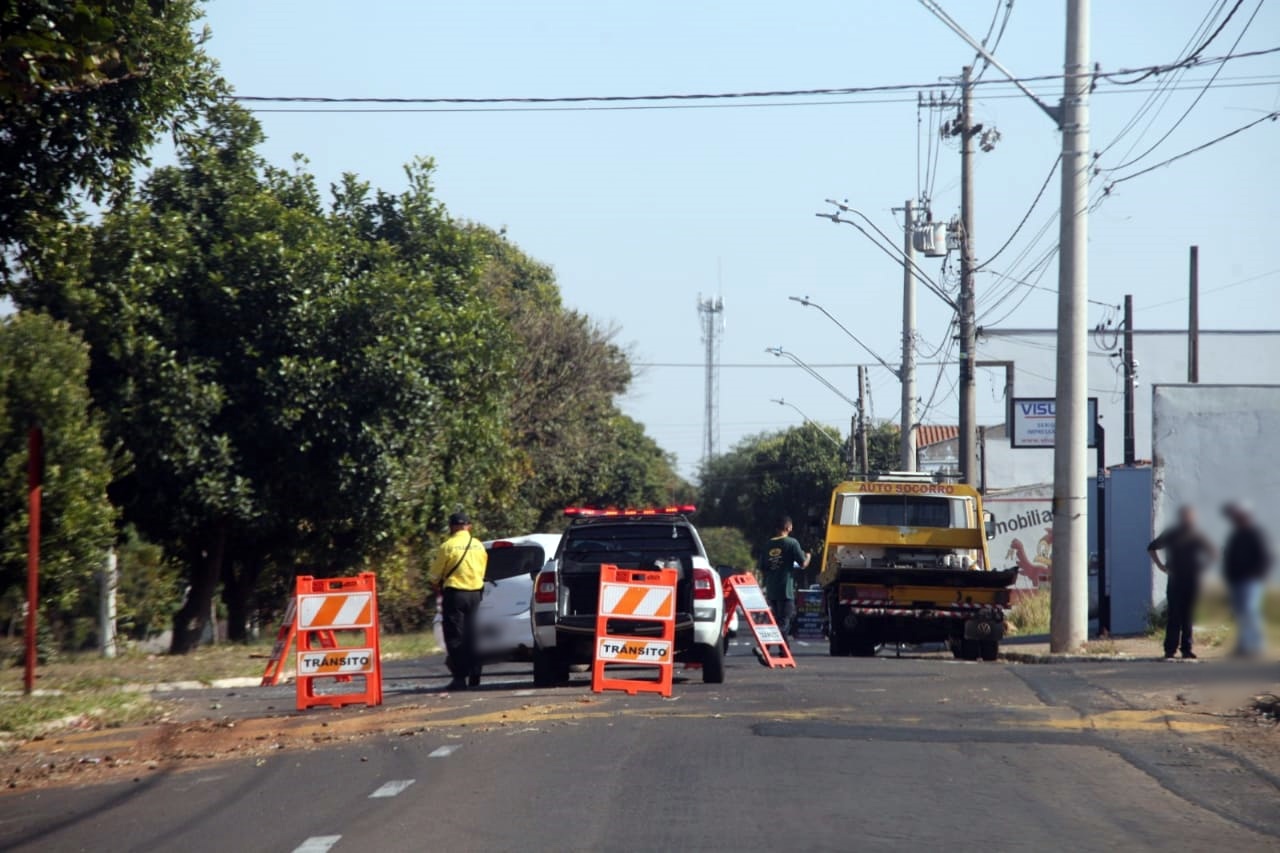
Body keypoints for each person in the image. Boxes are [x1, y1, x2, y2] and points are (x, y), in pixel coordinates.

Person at [428, 510, 488, 690]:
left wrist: (435, 585)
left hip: (456, 594)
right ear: (469, 526)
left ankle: (460, 677)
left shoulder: (447, 546)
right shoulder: (479, 546)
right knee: (471, 634)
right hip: (475, 593)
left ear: (451, 527)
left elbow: (434, 575)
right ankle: (475, 672)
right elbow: (483, 569)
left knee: (455, 635)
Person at [1147, 505, 1215, 660]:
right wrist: (1160, 566)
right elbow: (1151, 547)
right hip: (1175, 578)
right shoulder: (1172, 534)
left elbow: (1213, 553)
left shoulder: (1196, 535)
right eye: (1186, 516)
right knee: (1174, 615)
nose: (1188, 519)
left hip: (1191, 578)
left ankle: (1187, 648)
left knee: (1188, 615)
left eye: (1190, 516)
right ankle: (1170, 649)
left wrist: (1202, 568)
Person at [1222, 502, 1272, 658]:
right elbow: (1229, 558)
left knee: (1251, 611)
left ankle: (1257, 646)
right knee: (1240, 613)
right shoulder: (1236, 535)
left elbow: (1264, 557)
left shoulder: (1254, 534)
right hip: (1236, 580)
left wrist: (1257, 574)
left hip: (1250, 580)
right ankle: (1244, 645)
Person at [758, 515, 810, 637]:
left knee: (778, 621)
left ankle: (783, 651)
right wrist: (808, 557)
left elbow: (762, 567)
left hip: (772, 590)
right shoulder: (792, 543)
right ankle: (767, 644)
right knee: (785, 621)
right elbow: (802, 564)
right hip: (785, 590)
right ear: (788, 527)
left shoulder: (767, 544)